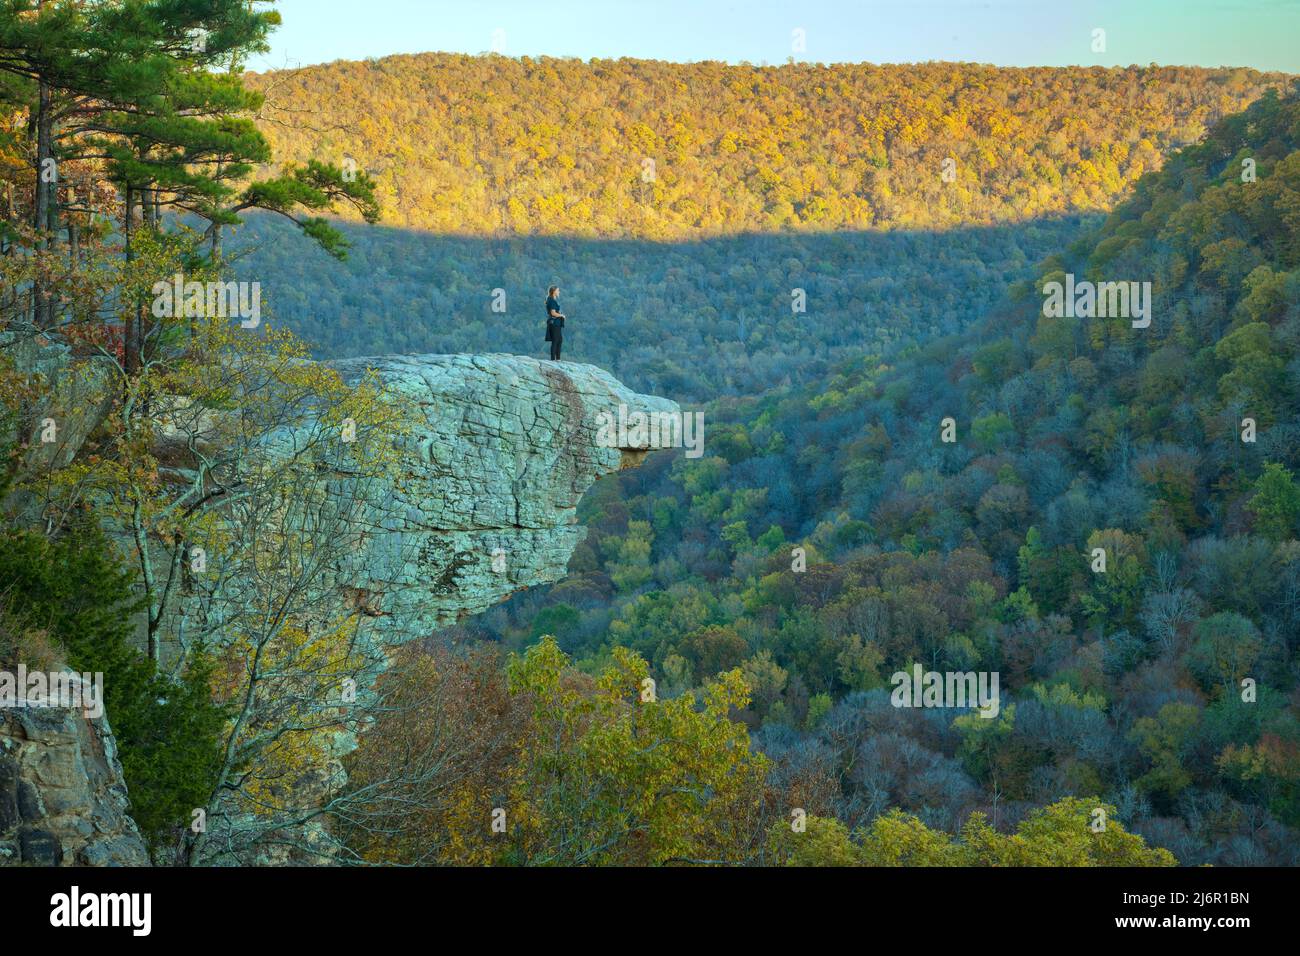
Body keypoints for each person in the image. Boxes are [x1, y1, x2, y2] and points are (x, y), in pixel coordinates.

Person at [544, 286, 566, 360]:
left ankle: (557, 359)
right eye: (558, 290)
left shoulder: (551, 300)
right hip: (554, 323)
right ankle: (554, 359)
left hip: (555, 323)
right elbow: (553, 313)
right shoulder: (552, 301)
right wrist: (561, 315)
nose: (559, 292)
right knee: (556, 340)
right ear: (554, 292)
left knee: (558, 340)